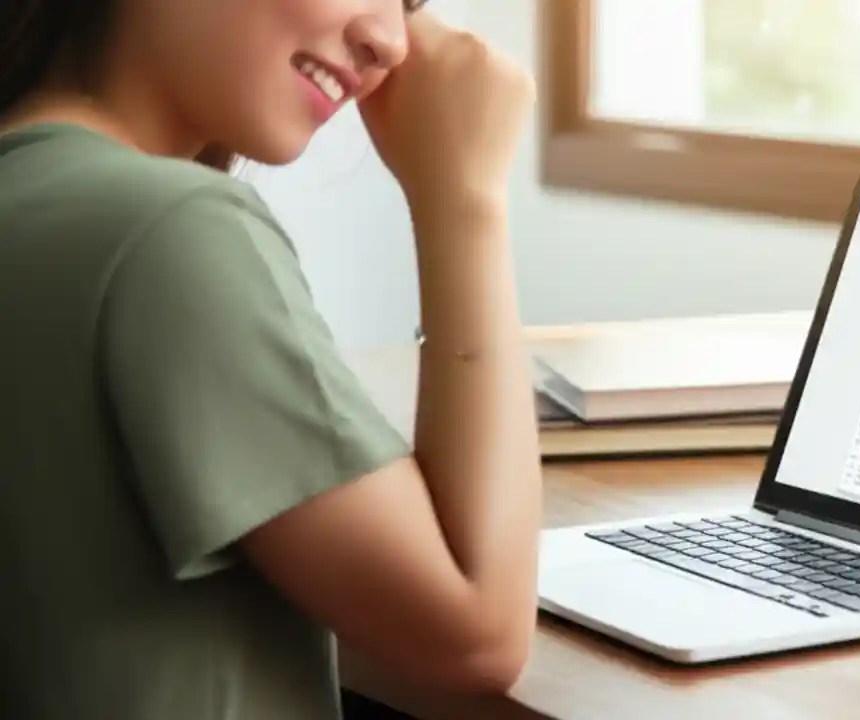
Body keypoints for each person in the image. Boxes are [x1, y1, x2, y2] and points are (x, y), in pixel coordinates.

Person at [0, 0, 543, 718]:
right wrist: (465, 197)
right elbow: (477, 639)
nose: (388, 40)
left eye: (409, 4)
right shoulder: (170, 230)